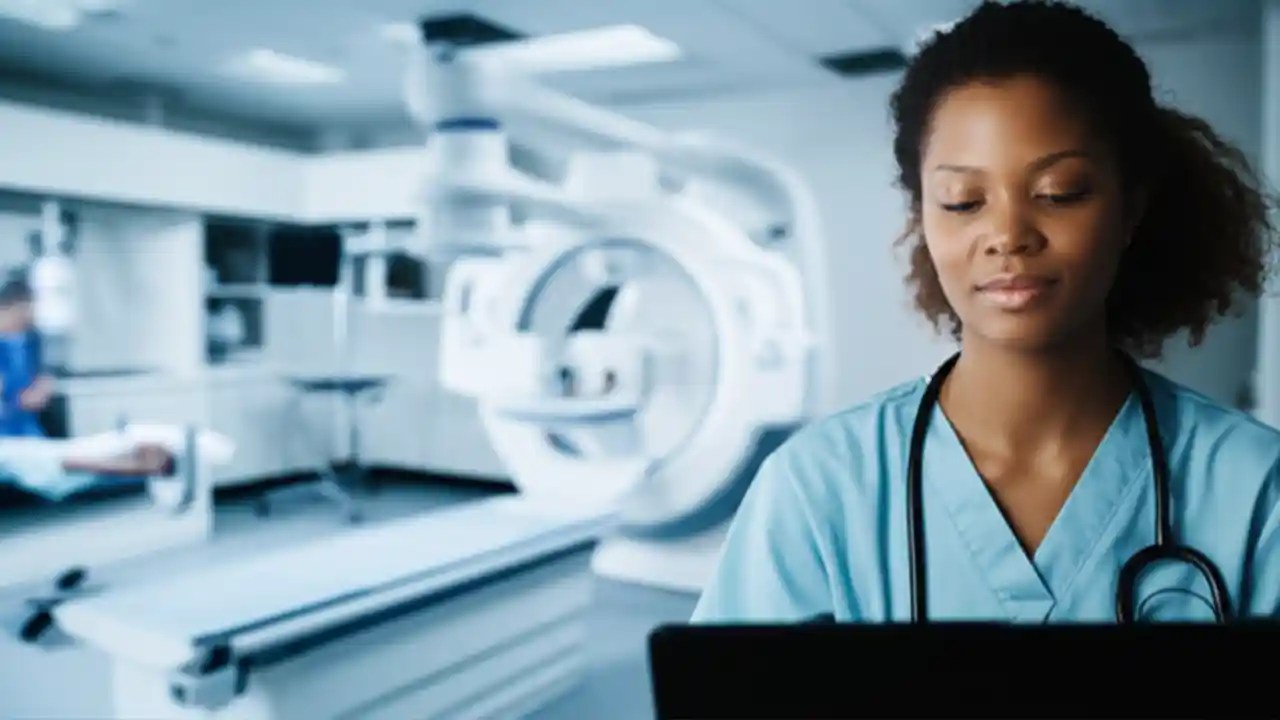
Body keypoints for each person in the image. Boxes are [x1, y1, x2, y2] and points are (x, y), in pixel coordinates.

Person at [692, 0, 1280, 623]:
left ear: (1130, 209)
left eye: (1059, 193)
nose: (1007, 235)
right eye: (963, 201)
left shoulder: (1254, 489)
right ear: (922, 217)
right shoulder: (817, 489)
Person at [0, 274, 55, 437]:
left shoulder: (31, 339)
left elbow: (40, 375)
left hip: (28, 428)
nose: (23, 320)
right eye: (18, 313)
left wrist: (42, 388)